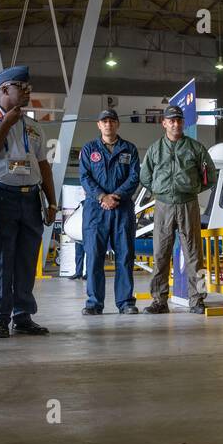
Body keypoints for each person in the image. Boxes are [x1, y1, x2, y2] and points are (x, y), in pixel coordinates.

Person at [0, 65, 57, 338]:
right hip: (0, 196)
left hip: (30, 198)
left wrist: (52, 202)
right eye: (22, 88)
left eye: (29, 88)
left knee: (26, 259)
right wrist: (6, 123)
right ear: (4, 90)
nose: (27, 93)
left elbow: (43, 166)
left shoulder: (33, 127)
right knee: (1, 259)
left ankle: (22, 315)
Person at [139, 104, 217, 315]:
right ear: (164, 123)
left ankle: (198, 299)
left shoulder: (196, 148)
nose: (175, 124)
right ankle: (159, 301)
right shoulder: (155, 149)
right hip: (163, 205)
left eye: (179, 120)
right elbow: (145, 176)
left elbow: (211, 175)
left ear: (183, 123)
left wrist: (194, 189)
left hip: (188, 204)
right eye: (171, 120)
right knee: (160, 254)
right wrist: (159, 190)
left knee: (194, 255)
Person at [78, 108, 141, 315]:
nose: (108, 124)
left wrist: (115, 197)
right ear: (99, 125)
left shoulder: (129, 149)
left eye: (112, 121)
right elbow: (85, 177)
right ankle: (94, 303)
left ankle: (126, 303)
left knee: (124, 256)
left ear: (117, 124)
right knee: (94, 257)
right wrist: (102, 197)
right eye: (104, 121)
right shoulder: (89, 149)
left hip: (122, 210)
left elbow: (134, 178)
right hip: (95, 211)